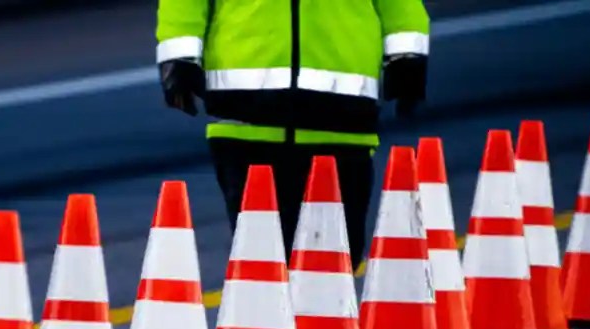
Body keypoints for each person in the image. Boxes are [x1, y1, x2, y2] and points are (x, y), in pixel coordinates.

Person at [156, 0, 430, 263]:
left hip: (341, 121)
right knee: (263, 268)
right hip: (247, 123)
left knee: (335, 265)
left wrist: (407, 54)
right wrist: (179, 56)